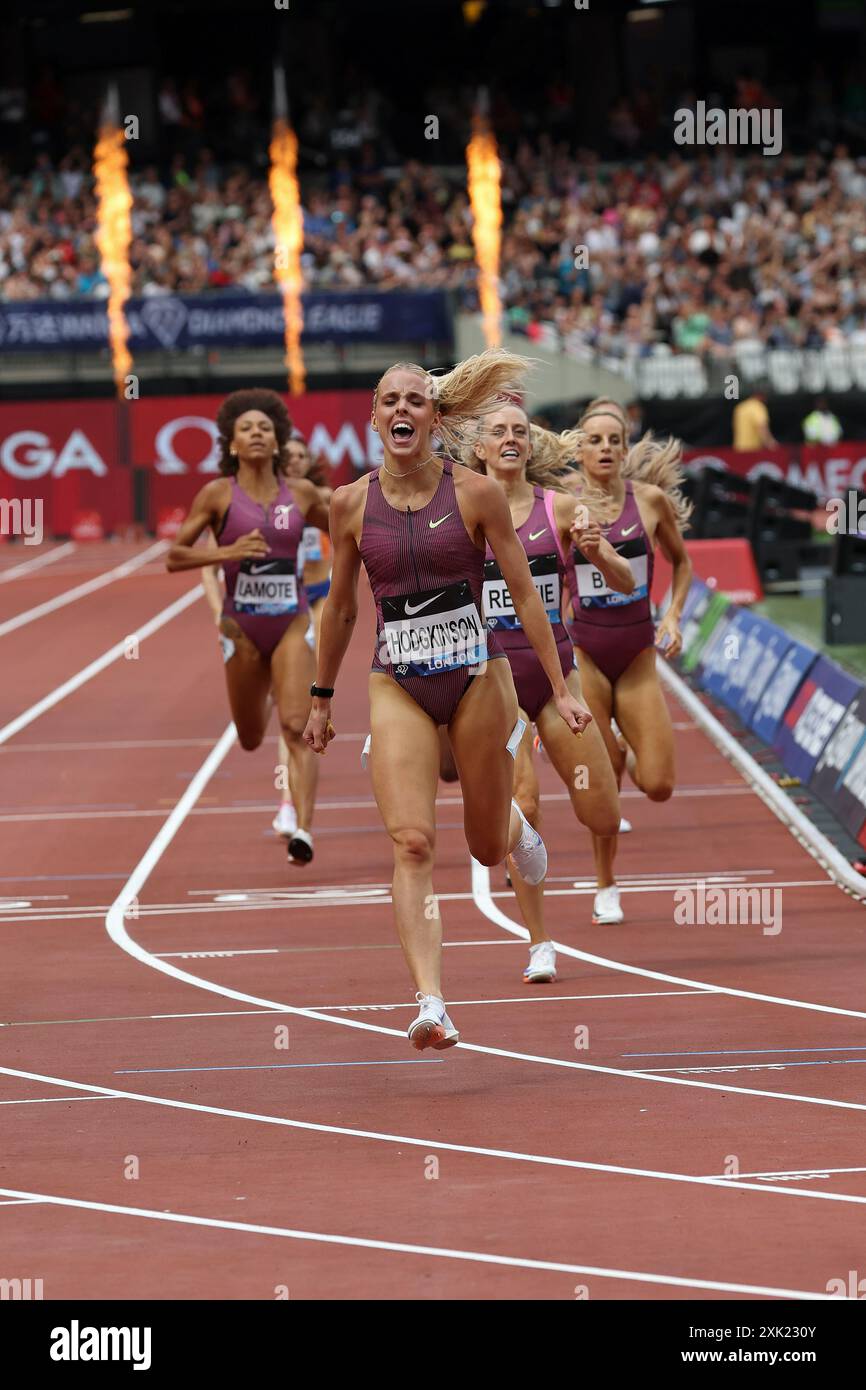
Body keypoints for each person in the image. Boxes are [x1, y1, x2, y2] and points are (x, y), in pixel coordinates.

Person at [303, 349, 593, 1051]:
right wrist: (319, 699)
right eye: (389, 401)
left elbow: (526, 593)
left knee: (486, 845)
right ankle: (432, 1003)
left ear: (436, 417)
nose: (402, 409)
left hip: (476, 678)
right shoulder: (349, 504)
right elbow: (340, 610)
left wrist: (562, 688)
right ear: (373, 420)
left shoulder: (476, 494)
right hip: (394, 680)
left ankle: (518, 834)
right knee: (411, 843)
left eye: (415, 400)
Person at [464, 401, 625, 981]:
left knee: (602, 813)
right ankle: (540, 941)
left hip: (559, 680)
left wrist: (598, 549)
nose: (510, 438)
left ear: (529, 447)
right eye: (497, 431)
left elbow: (624, 580)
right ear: (478, 447)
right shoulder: (459, 512)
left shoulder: (561, 509)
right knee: (524, 806)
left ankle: (603, 874)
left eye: (519, 432)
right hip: (496, 686)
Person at [167, 388, 329, 866]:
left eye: (265, 428)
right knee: (252, 735)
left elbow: (351, 526)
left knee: (297, 725)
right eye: (246, 429)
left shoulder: (300, 494)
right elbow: (175, 555)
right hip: (240, 626)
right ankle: (264, 693)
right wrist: (227, 553)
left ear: (278, 441)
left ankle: (303, 829)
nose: (257, 434)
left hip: (292, 619)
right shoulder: (217, 494)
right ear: (232, 443)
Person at [564, 397, 693, 924]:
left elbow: (681, 564)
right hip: (585, 651)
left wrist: (674, 616)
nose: (605, 449)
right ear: (579, 447)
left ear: (624, 448)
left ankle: (623, 743)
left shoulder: (652, 501)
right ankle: (606, 885)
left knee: (659, 785)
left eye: (614, 440)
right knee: (603, 777)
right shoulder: (561, 500)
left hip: (638, 649)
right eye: (594, 440)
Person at [732, 385, 776, 451]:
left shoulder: (740, 407)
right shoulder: (758, 406)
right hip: (753, 450)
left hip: (738, 449)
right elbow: (762, 427)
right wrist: (771, 444)